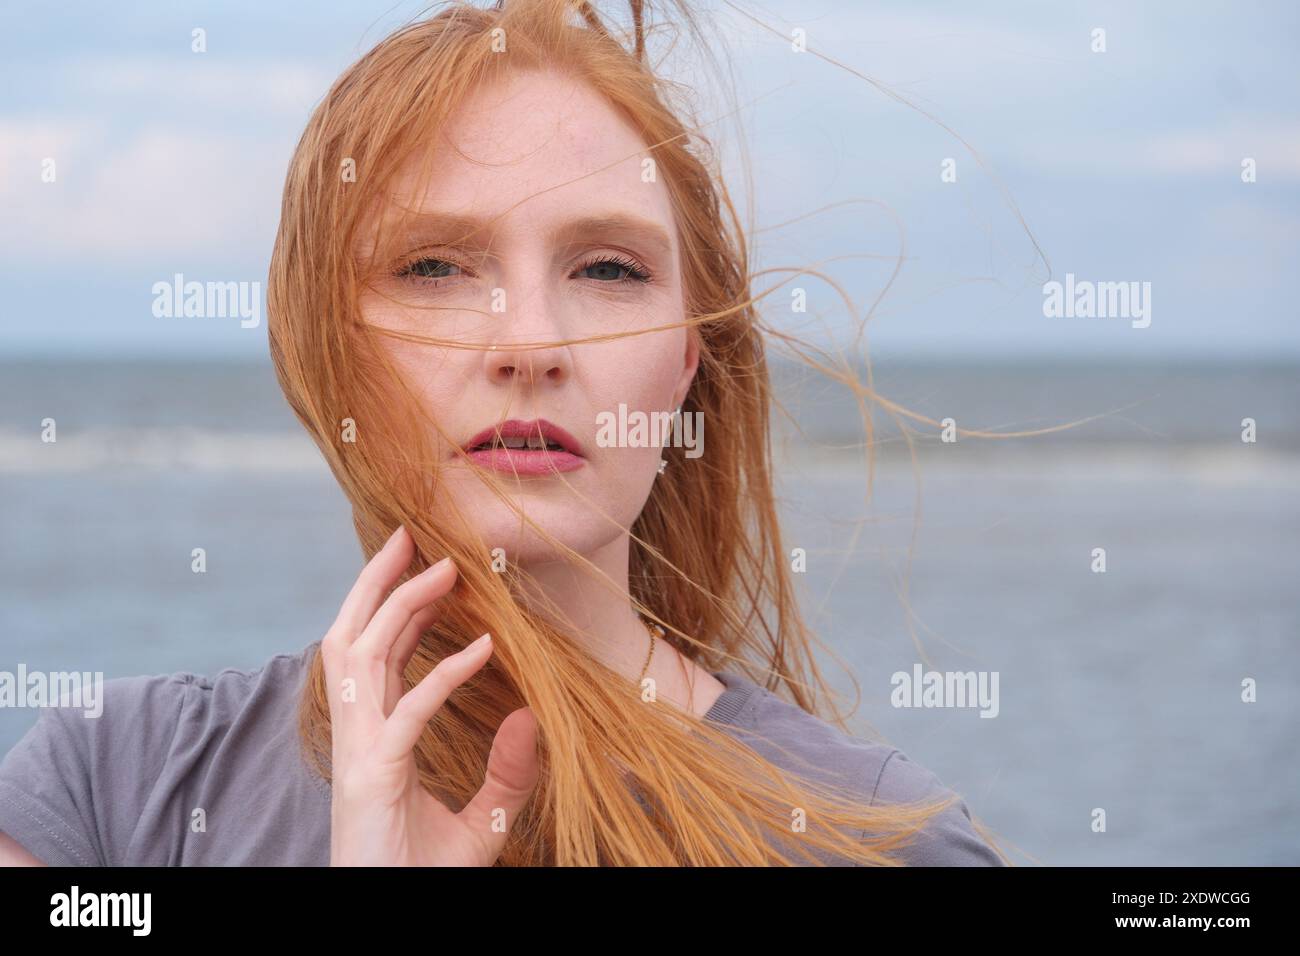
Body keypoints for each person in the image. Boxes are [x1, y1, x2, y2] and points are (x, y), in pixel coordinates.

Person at [0, 0, 1006, 866]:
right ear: (329, 343)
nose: (530, 341)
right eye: (435, 267)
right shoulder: (114, 791)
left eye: (608, 269)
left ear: (686, 360)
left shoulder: (875, 839)